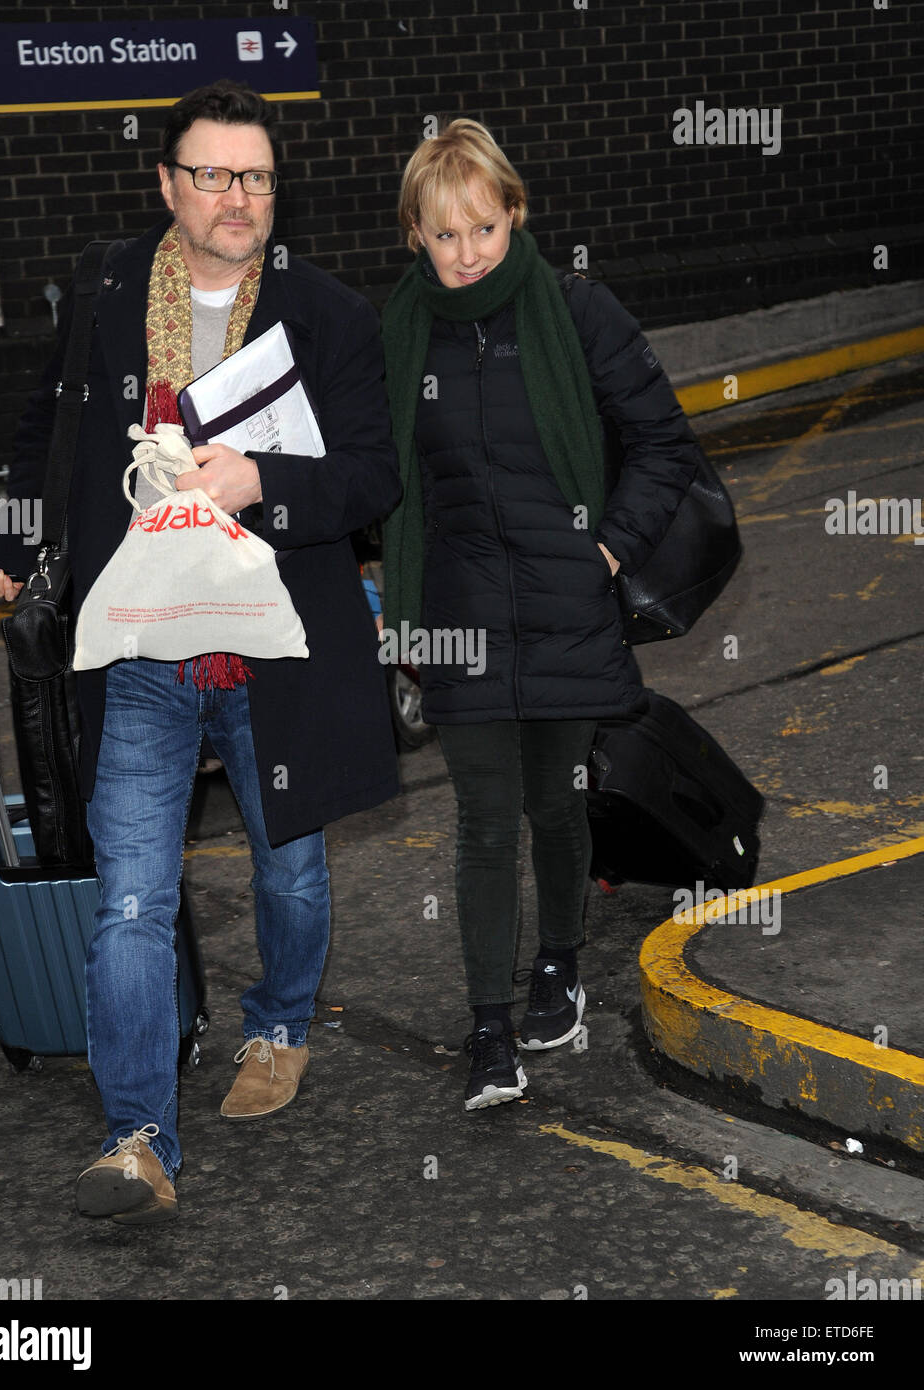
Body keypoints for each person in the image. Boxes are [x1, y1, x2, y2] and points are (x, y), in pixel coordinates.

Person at [0, 80, 402, 1221]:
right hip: (142, 649)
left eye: (253, 174)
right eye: (210, 173)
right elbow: (41, 437)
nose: (235, 195)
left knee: (290, 866)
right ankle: (138, 1138)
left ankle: (279, 1022)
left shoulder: (331, 315)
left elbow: (372, 474)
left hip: (272, 653)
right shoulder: (108, 294)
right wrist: (16, 543)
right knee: (128, 903)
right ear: (166, 183)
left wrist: (264, 481)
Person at [380, 119, 702, 1111]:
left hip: (567, 606)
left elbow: (664, 442)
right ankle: (488, 1031)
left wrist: (607, 545)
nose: (466, 252)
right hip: (460, 612)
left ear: (514, 214)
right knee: (483, 820)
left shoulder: (578, 312)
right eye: (444, 235)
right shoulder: (397, 333)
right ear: (415, 239)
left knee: (557, 807)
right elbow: (382, 480)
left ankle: (558, 969)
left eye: (482, 227)